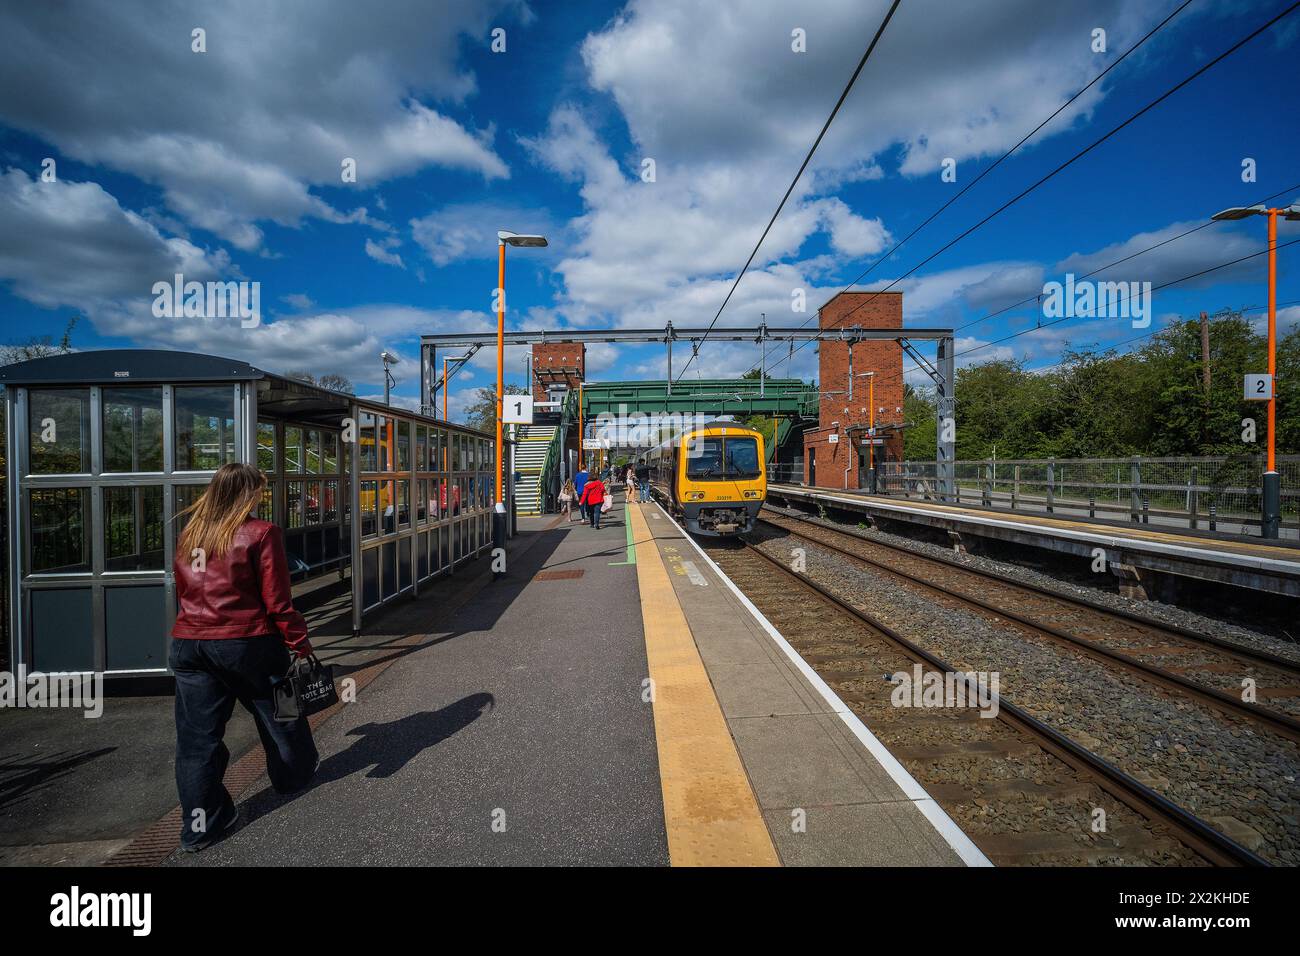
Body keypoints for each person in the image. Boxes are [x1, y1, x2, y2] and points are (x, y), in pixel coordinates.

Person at [170, 463, 319, 852]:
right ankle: (293, 777)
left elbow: (183, 590)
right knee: (283, 712)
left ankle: (201, 827)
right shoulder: (261, 533)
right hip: (247, 643)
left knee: (197, 741)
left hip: (190, 644)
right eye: (259, 490)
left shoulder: (190, 534)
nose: (261, 496)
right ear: (246, 493)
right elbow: (278, 601)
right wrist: (299, 642)